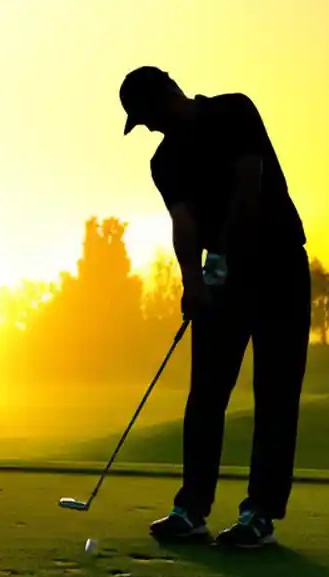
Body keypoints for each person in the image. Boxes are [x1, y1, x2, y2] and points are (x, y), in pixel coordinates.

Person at [119, 66, 311, 549]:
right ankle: (192, 509)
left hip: (279, 266)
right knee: (205, 393)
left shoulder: (233, 110)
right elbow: (182, 222)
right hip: (221, 278)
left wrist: (223, 255)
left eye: (146, 118)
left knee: (275, 391)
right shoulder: (164, 162)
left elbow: (250, 186)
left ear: (166, 97)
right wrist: (191, 281)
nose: (149, 129)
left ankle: (260, 515)